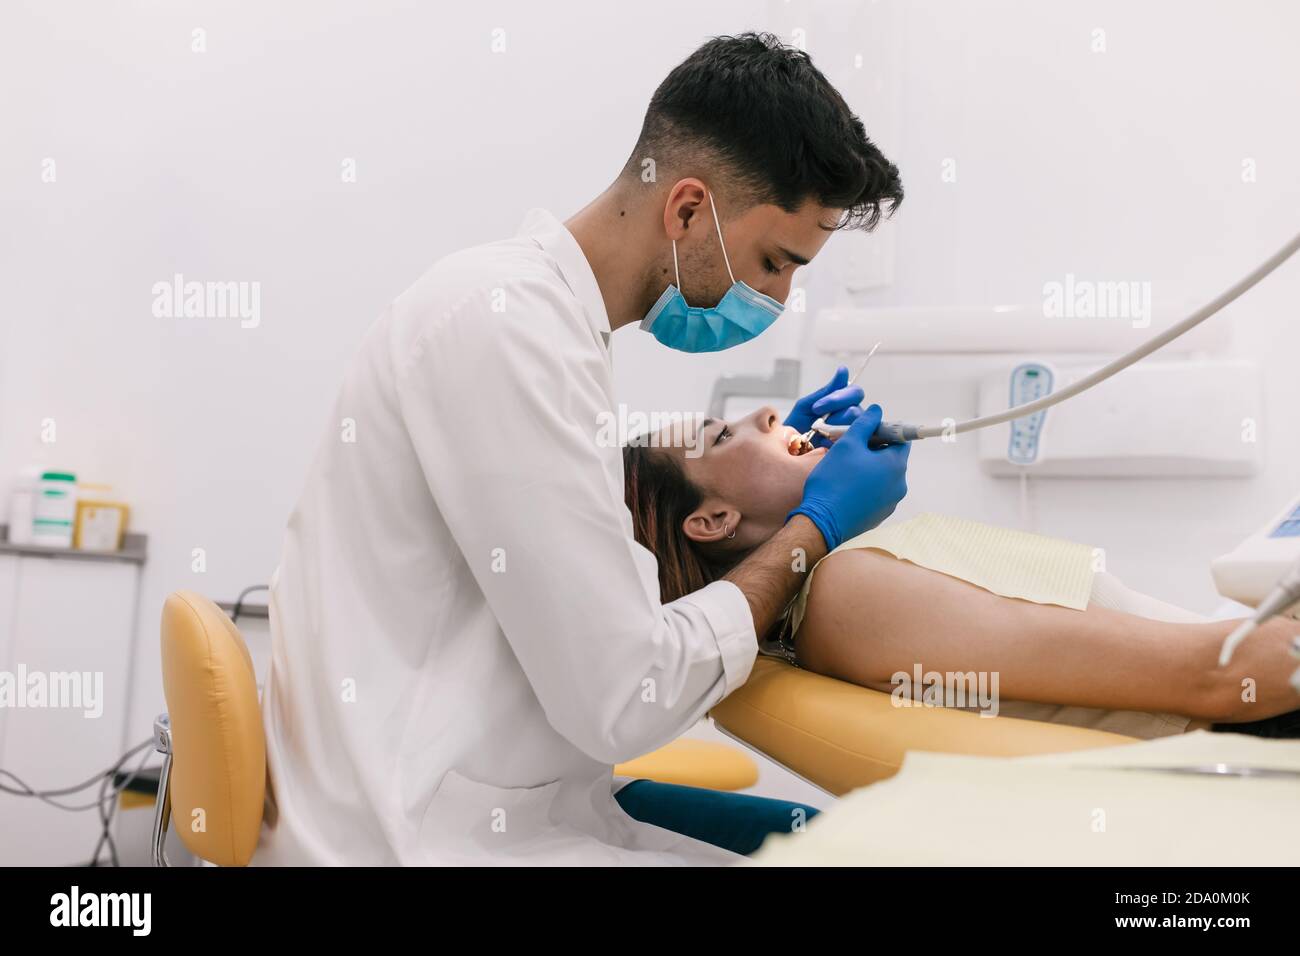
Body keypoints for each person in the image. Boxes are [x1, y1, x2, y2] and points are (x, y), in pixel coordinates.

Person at [255, 33, 910, 866]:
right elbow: (622, 697)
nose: (778, 299)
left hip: (515, 801)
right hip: (418, 835)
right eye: (774, 263)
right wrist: (812, 526)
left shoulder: (546, 329)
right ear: (686, 210)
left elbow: (597, 614)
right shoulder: (505, 331)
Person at [622, 407, 1300, 739]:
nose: (769, 414)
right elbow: (1216, 676)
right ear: (710, 522)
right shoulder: (845, 594)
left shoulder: (840, 584)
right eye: (722, 434)